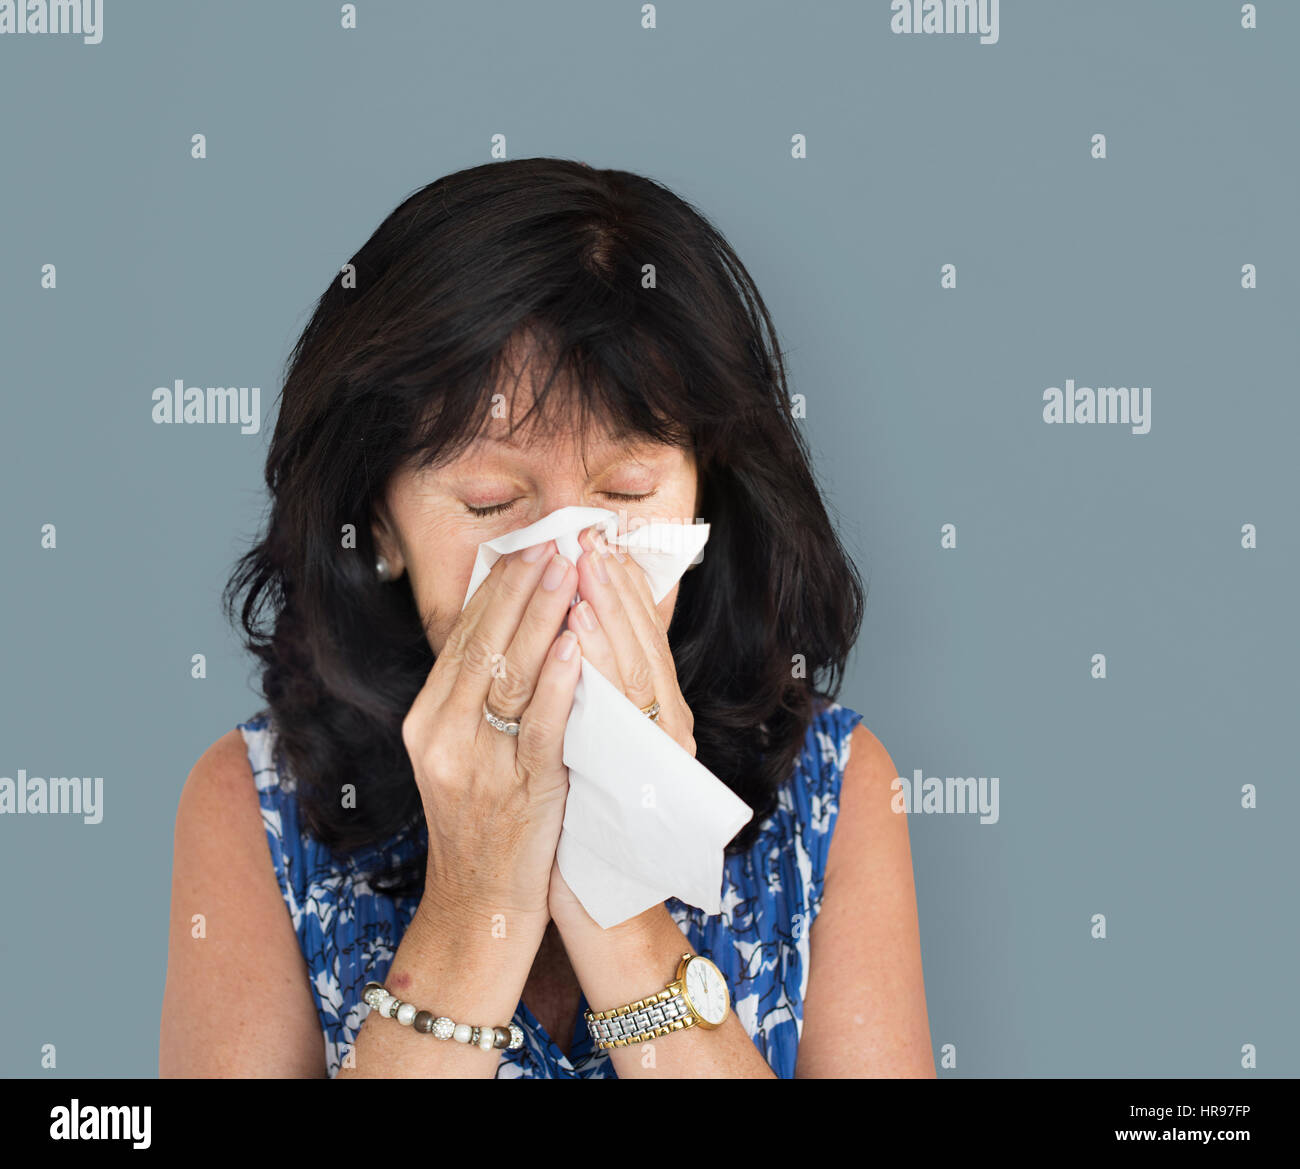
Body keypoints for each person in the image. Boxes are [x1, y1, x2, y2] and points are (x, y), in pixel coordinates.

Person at [157, 158, 934, 1078]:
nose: (569, 561)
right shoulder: (253, 802)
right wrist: (476, 897)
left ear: (700, 500)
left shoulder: (835, 788)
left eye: (626, 492)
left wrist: (620, 885)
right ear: (379, 524)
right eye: (491, 504)